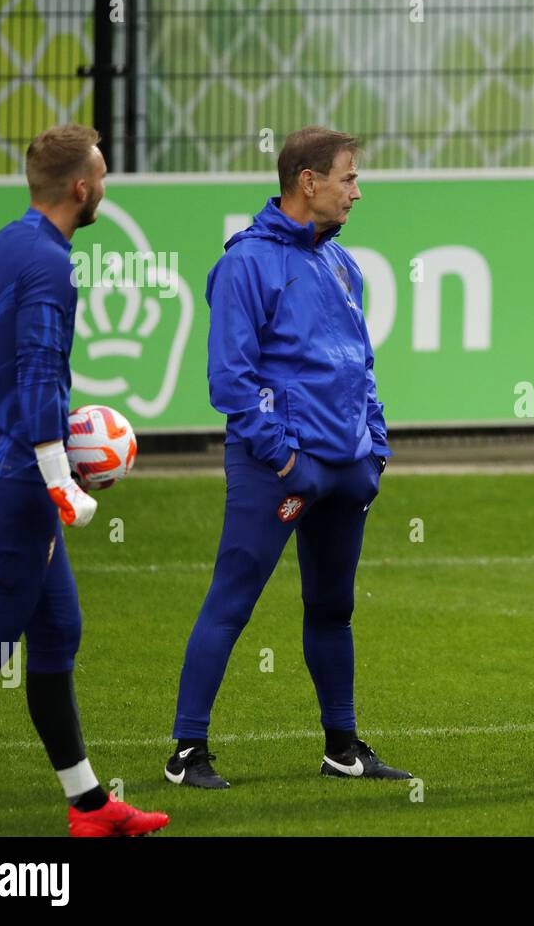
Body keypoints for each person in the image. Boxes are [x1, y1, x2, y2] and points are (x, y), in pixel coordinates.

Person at [0, 124, 170, 836]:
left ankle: (90, 806)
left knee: (57, 629)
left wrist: (18, 424)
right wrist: (61, 476)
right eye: (103, 177)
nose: (105, 189)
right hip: (13, 485)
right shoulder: (53, 267)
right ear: (82, 189)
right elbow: (33, 376)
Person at [165, 126, 410, 789]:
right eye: (348, 178)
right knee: (232, 602)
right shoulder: (246, 263)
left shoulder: (341, 264)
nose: (357, 192)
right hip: (278, 468)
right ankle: (187, 752)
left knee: (333, 609)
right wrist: (283, 458)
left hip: (346, 468)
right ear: (308, 182)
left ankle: (342, 748)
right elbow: (231, 381)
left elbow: (363, 366)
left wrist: (375, 449)